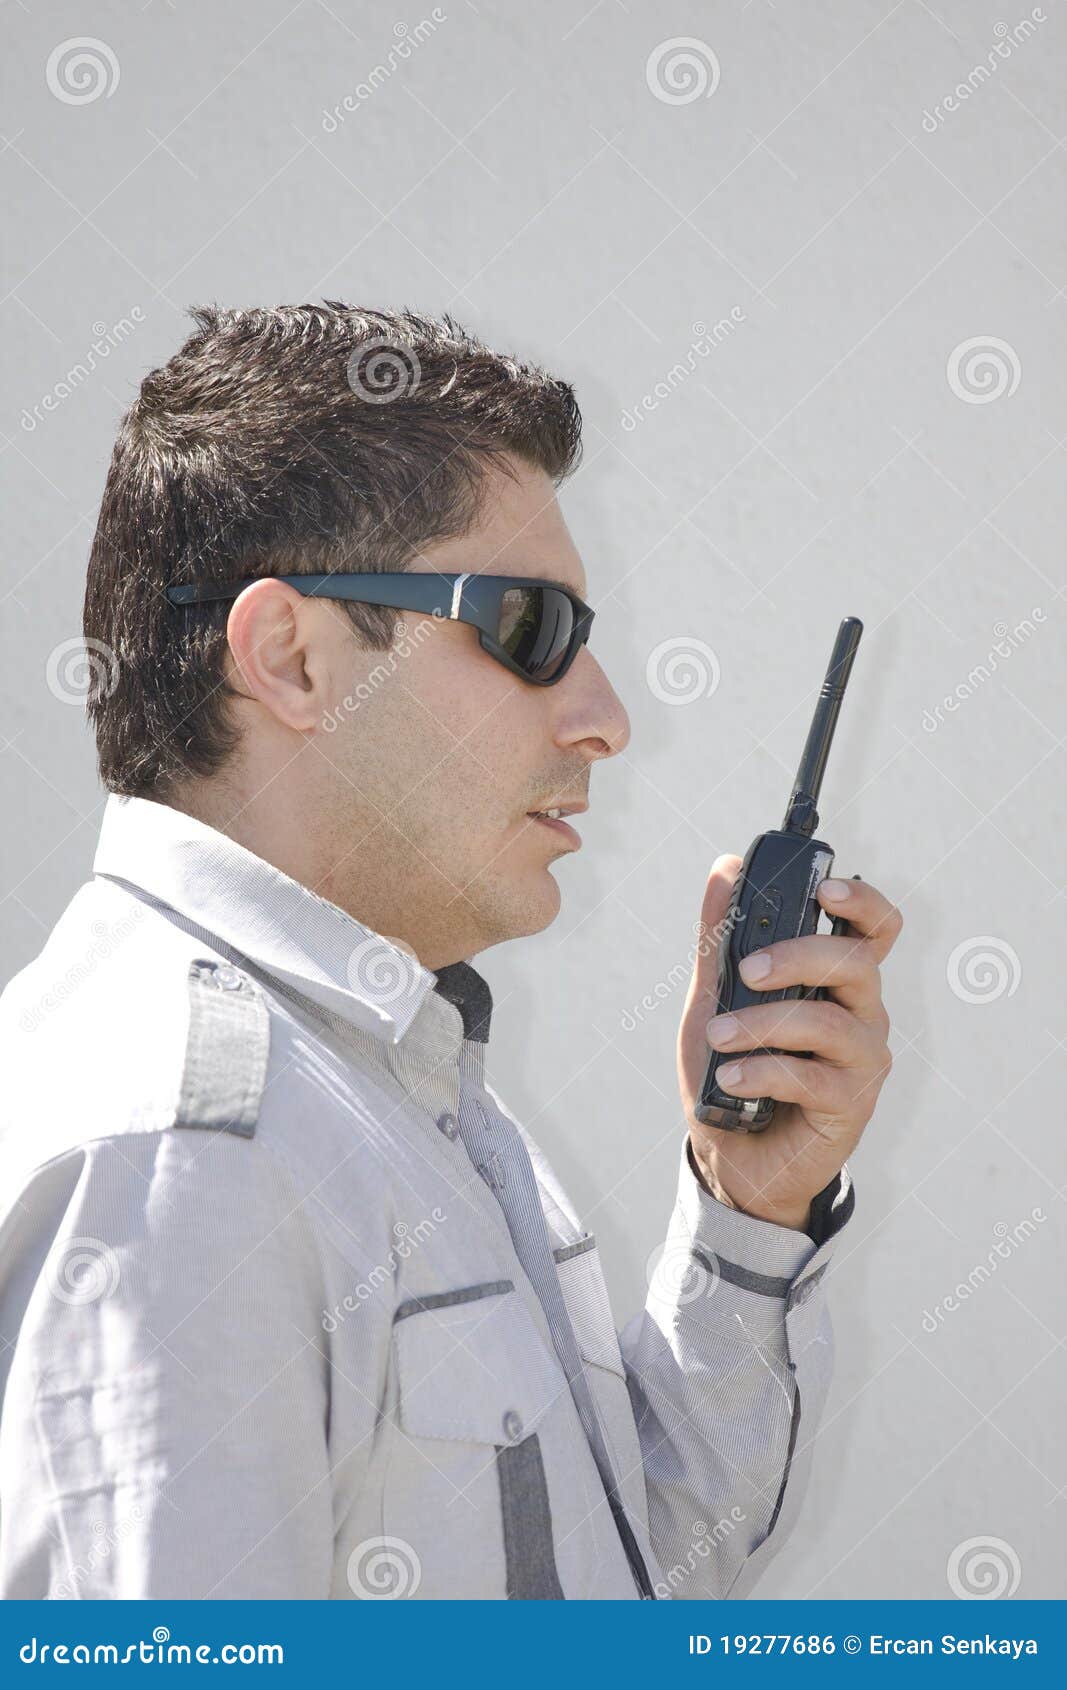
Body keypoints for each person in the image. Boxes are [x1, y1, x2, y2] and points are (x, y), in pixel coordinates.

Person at [0, 303, 900, 1600]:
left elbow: (621, 1580)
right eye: (532, 629)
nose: (604, 718)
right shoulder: (183, 1160)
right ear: (292, 658)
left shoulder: (364, 1089)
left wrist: (749, 1204)